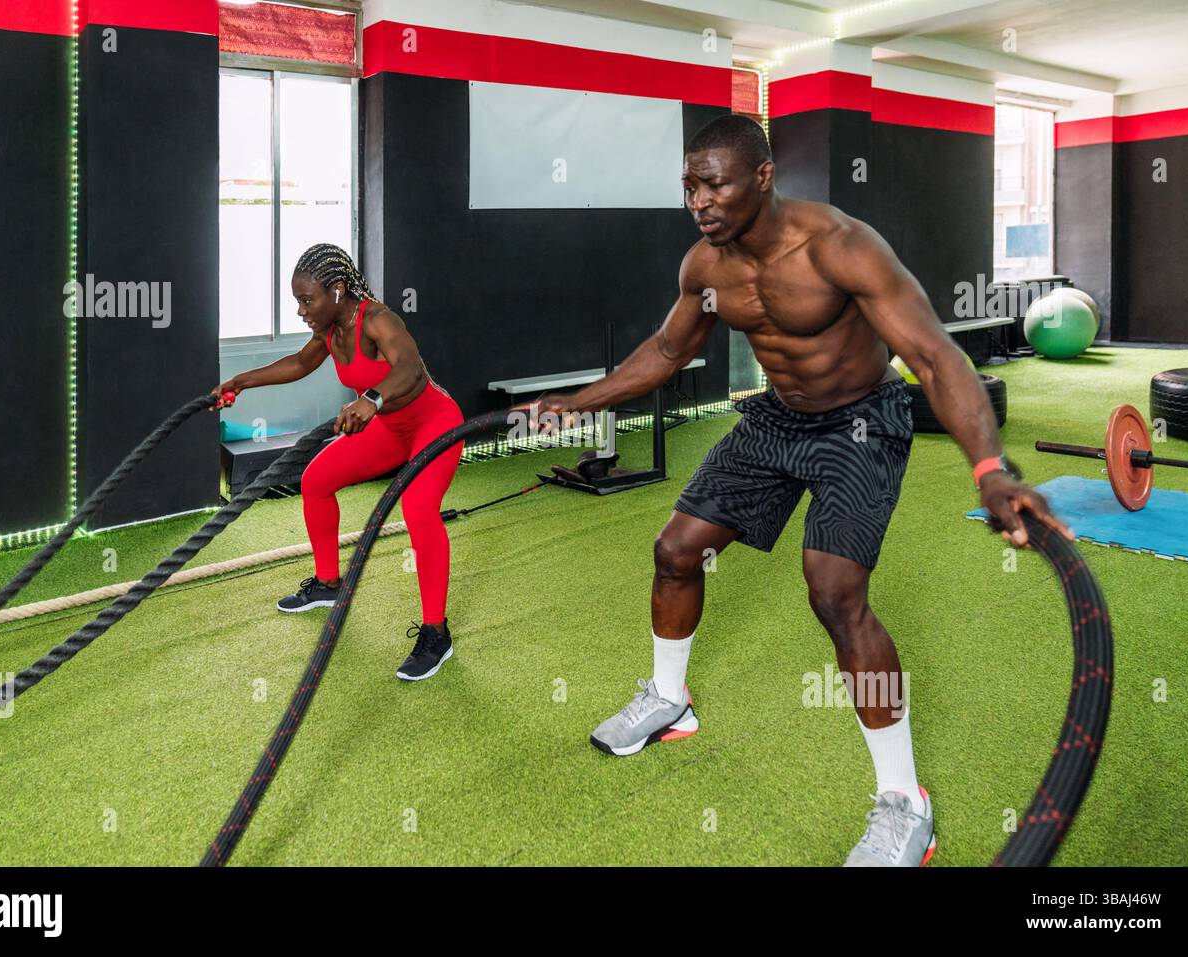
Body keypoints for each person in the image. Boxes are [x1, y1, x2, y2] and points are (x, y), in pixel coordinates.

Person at [525, 115, 1073, 866]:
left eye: (714, 182)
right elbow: (665, 349)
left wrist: (990, 468)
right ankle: (668, 699)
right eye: (689, 185)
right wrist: (576, 404)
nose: (700, 200)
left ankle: (904, 804)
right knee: (676, 548)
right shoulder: (706, 267)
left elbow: (934, 355)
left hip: (861, 422)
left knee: (834, 591)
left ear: (762, 176)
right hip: (779, 418)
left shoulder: (840, 246)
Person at [213, 243, 465, 681]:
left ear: (337, 290)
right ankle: (330, 583)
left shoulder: (378, 320)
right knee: (316, 480)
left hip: (434, 423)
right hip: (390, 430)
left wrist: (372, 398)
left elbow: (411, 369)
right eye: (297, 301)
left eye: (306, 300)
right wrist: (242, 380)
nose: (300, 310)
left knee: (418, 509)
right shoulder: (330, 329)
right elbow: (298, 363)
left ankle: (435, 633)